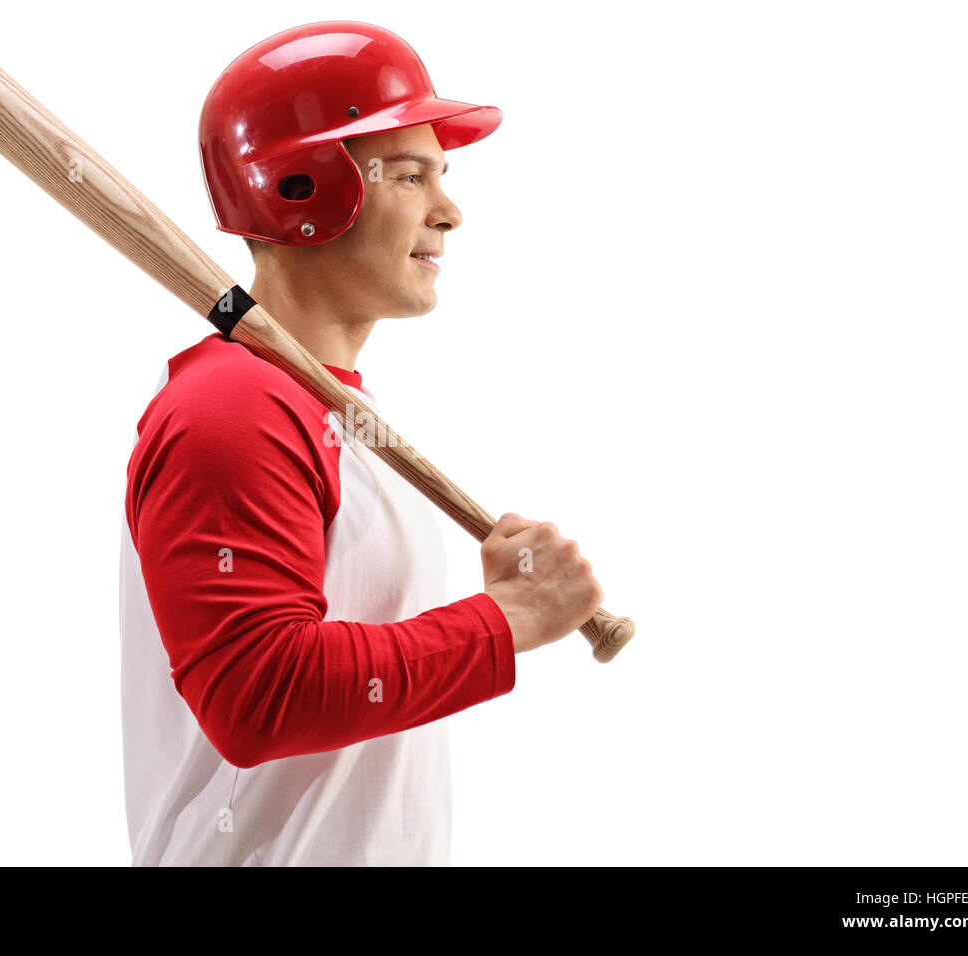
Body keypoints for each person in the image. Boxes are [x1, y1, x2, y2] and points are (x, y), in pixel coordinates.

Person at [119, 20, 602, 866]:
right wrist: (505, 622)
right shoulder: (232, 407)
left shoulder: (334, 410)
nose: (449, 211)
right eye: (411, 176)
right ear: (302, 188)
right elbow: (259, 694)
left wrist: (483, 615)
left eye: (440, 176)